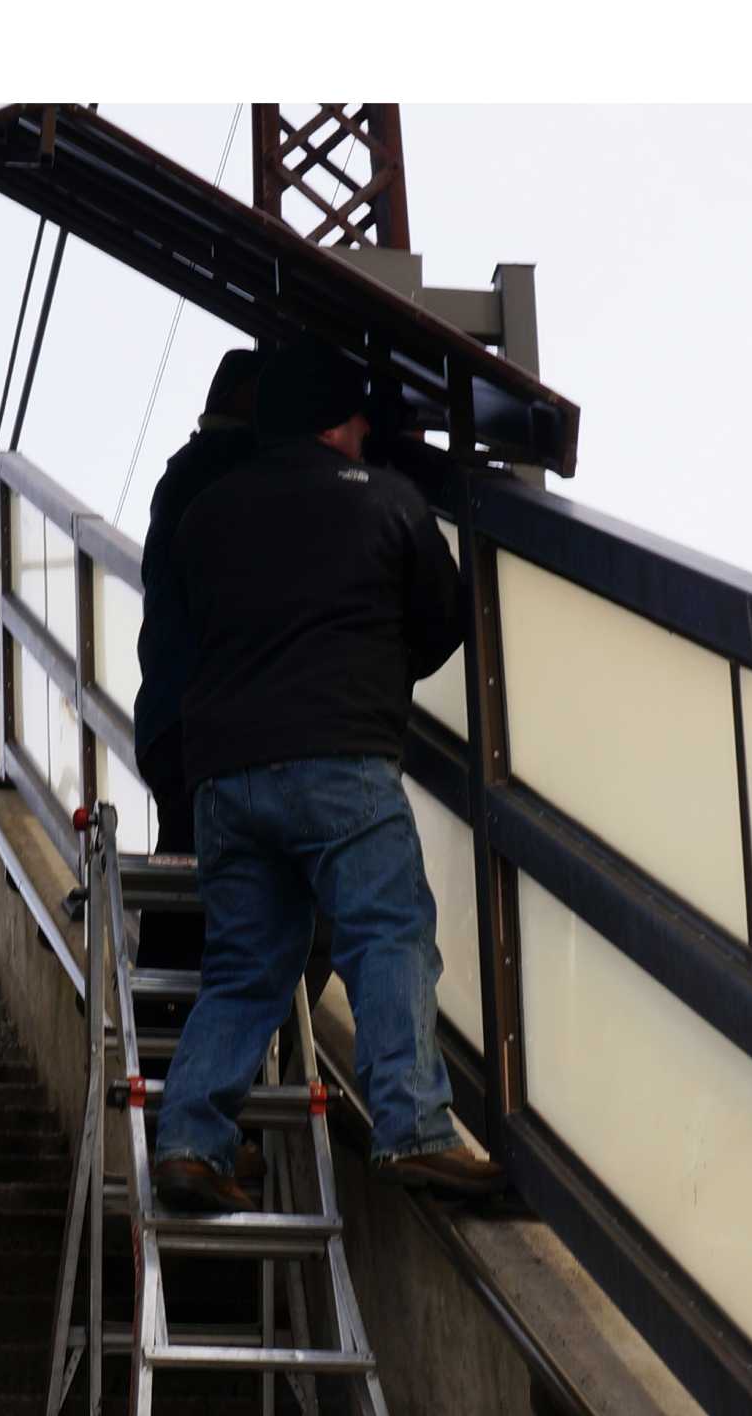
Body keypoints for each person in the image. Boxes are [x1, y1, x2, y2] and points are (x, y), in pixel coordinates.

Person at [150, 338, 505, 1213]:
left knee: (243, 966)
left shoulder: (208, 511)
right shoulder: (384, 500)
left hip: (225, 778)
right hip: (338, 757)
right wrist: (372, 667)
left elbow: (186, 631)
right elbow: (439, 622)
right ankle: (413, 1129)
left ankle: (193, 1140)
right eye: (353, 421)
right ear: (336, 424)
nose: (359, 434)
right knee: (386, 935)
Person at [134, 348, 261, 854]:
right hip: (203, 716)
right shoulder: (231, 469)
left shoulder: (187, 471)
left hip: (169, 718)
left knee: (188, 859)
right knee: (205, 865)